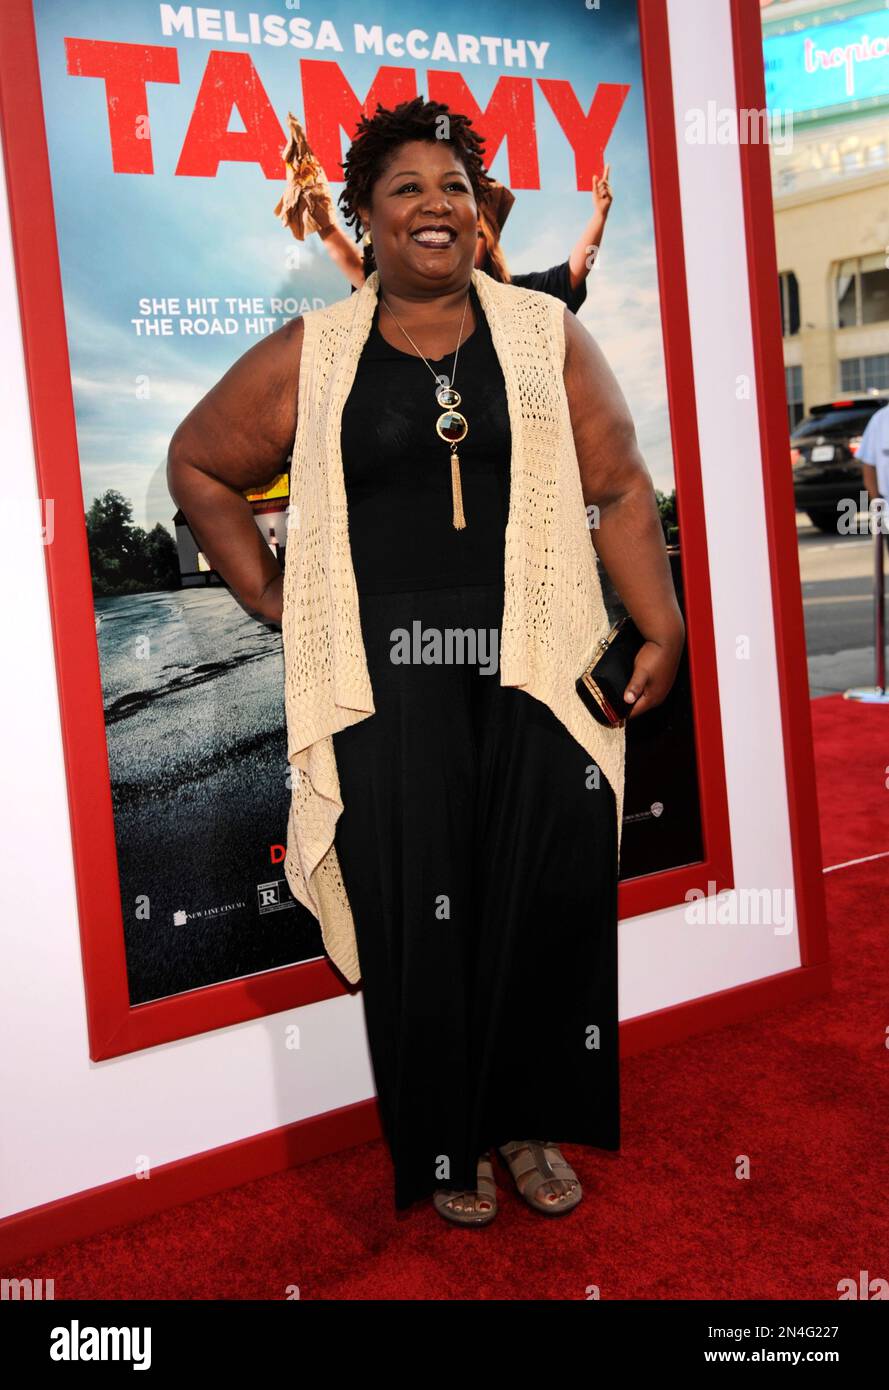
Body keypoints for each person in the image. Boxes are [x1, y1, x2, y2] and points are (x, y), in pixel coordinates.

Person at [168, 96, 685, 1227]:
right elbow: (199, 461)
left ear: (480, 211)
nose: (434, 207)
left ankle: (524, 1122)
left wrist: (661, 623)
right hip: (387, 675)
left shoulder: (544, 335)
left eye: (453, 187)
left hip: (536, 660)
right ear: (362, 214)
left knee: (535, 896)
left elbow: (618, 484)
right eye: (405, 190)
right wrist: (263, 589)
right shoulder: (319, 354)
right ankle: (443, 1141)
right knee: (419, 910)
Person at [274, 111, 614, 314]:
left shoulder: (518, 300)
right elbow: (358, 267)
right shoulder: (398, 291)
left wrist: (599, 217)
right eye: (411, 188)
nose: (440, 211)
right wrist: (325, 223)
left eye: (480, 233)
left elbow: (573, 272)